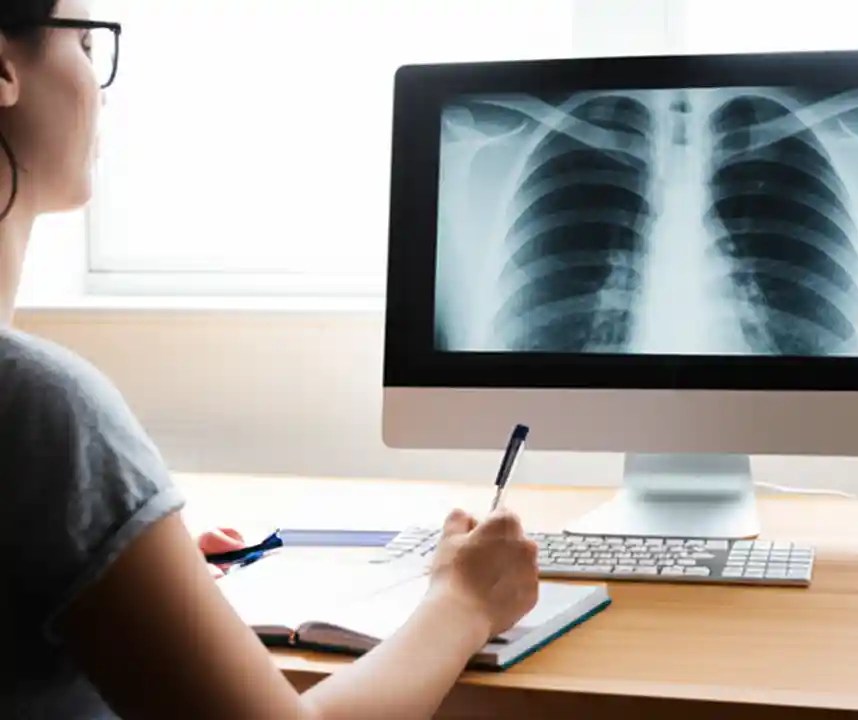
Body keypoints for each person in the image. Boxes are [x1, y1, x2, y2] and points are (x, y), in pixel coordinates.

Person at [0, 1, 540, 717]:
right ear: (4, 68)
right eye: (88, 43)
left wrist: (127, 570)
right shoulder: (42, 410)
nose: (100, 86)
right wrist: (464, 601)